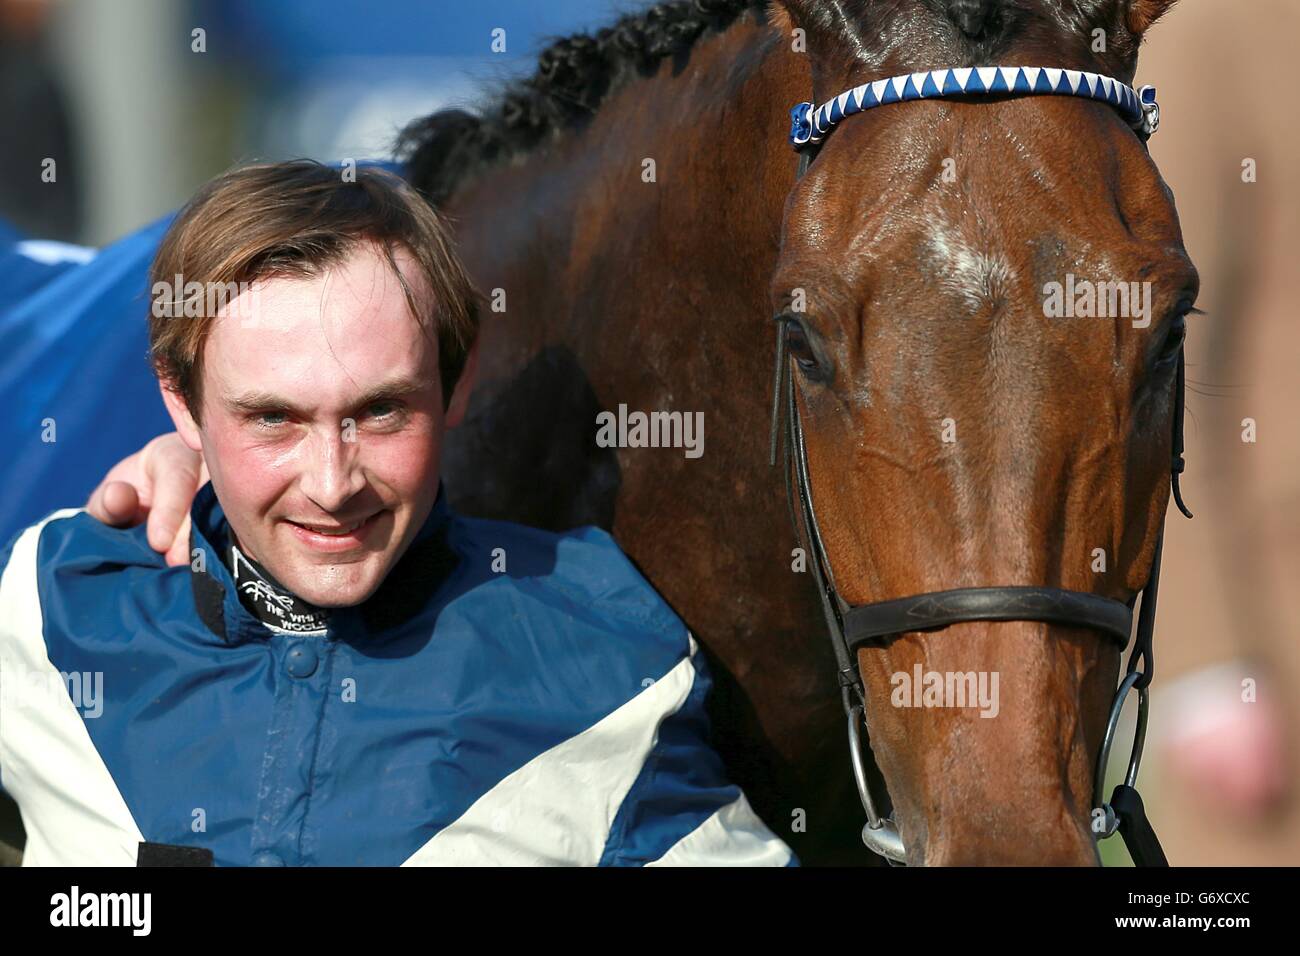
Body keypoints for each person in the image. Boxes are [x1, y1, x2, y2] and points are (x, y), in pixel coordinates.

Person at [0, 159, 793, 867]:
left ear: (459, 381)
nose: (331, 482)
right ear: (181, 402)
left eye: (381, 412)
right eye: (271, 418)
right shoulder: (52, 601)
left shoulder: (610, 665)